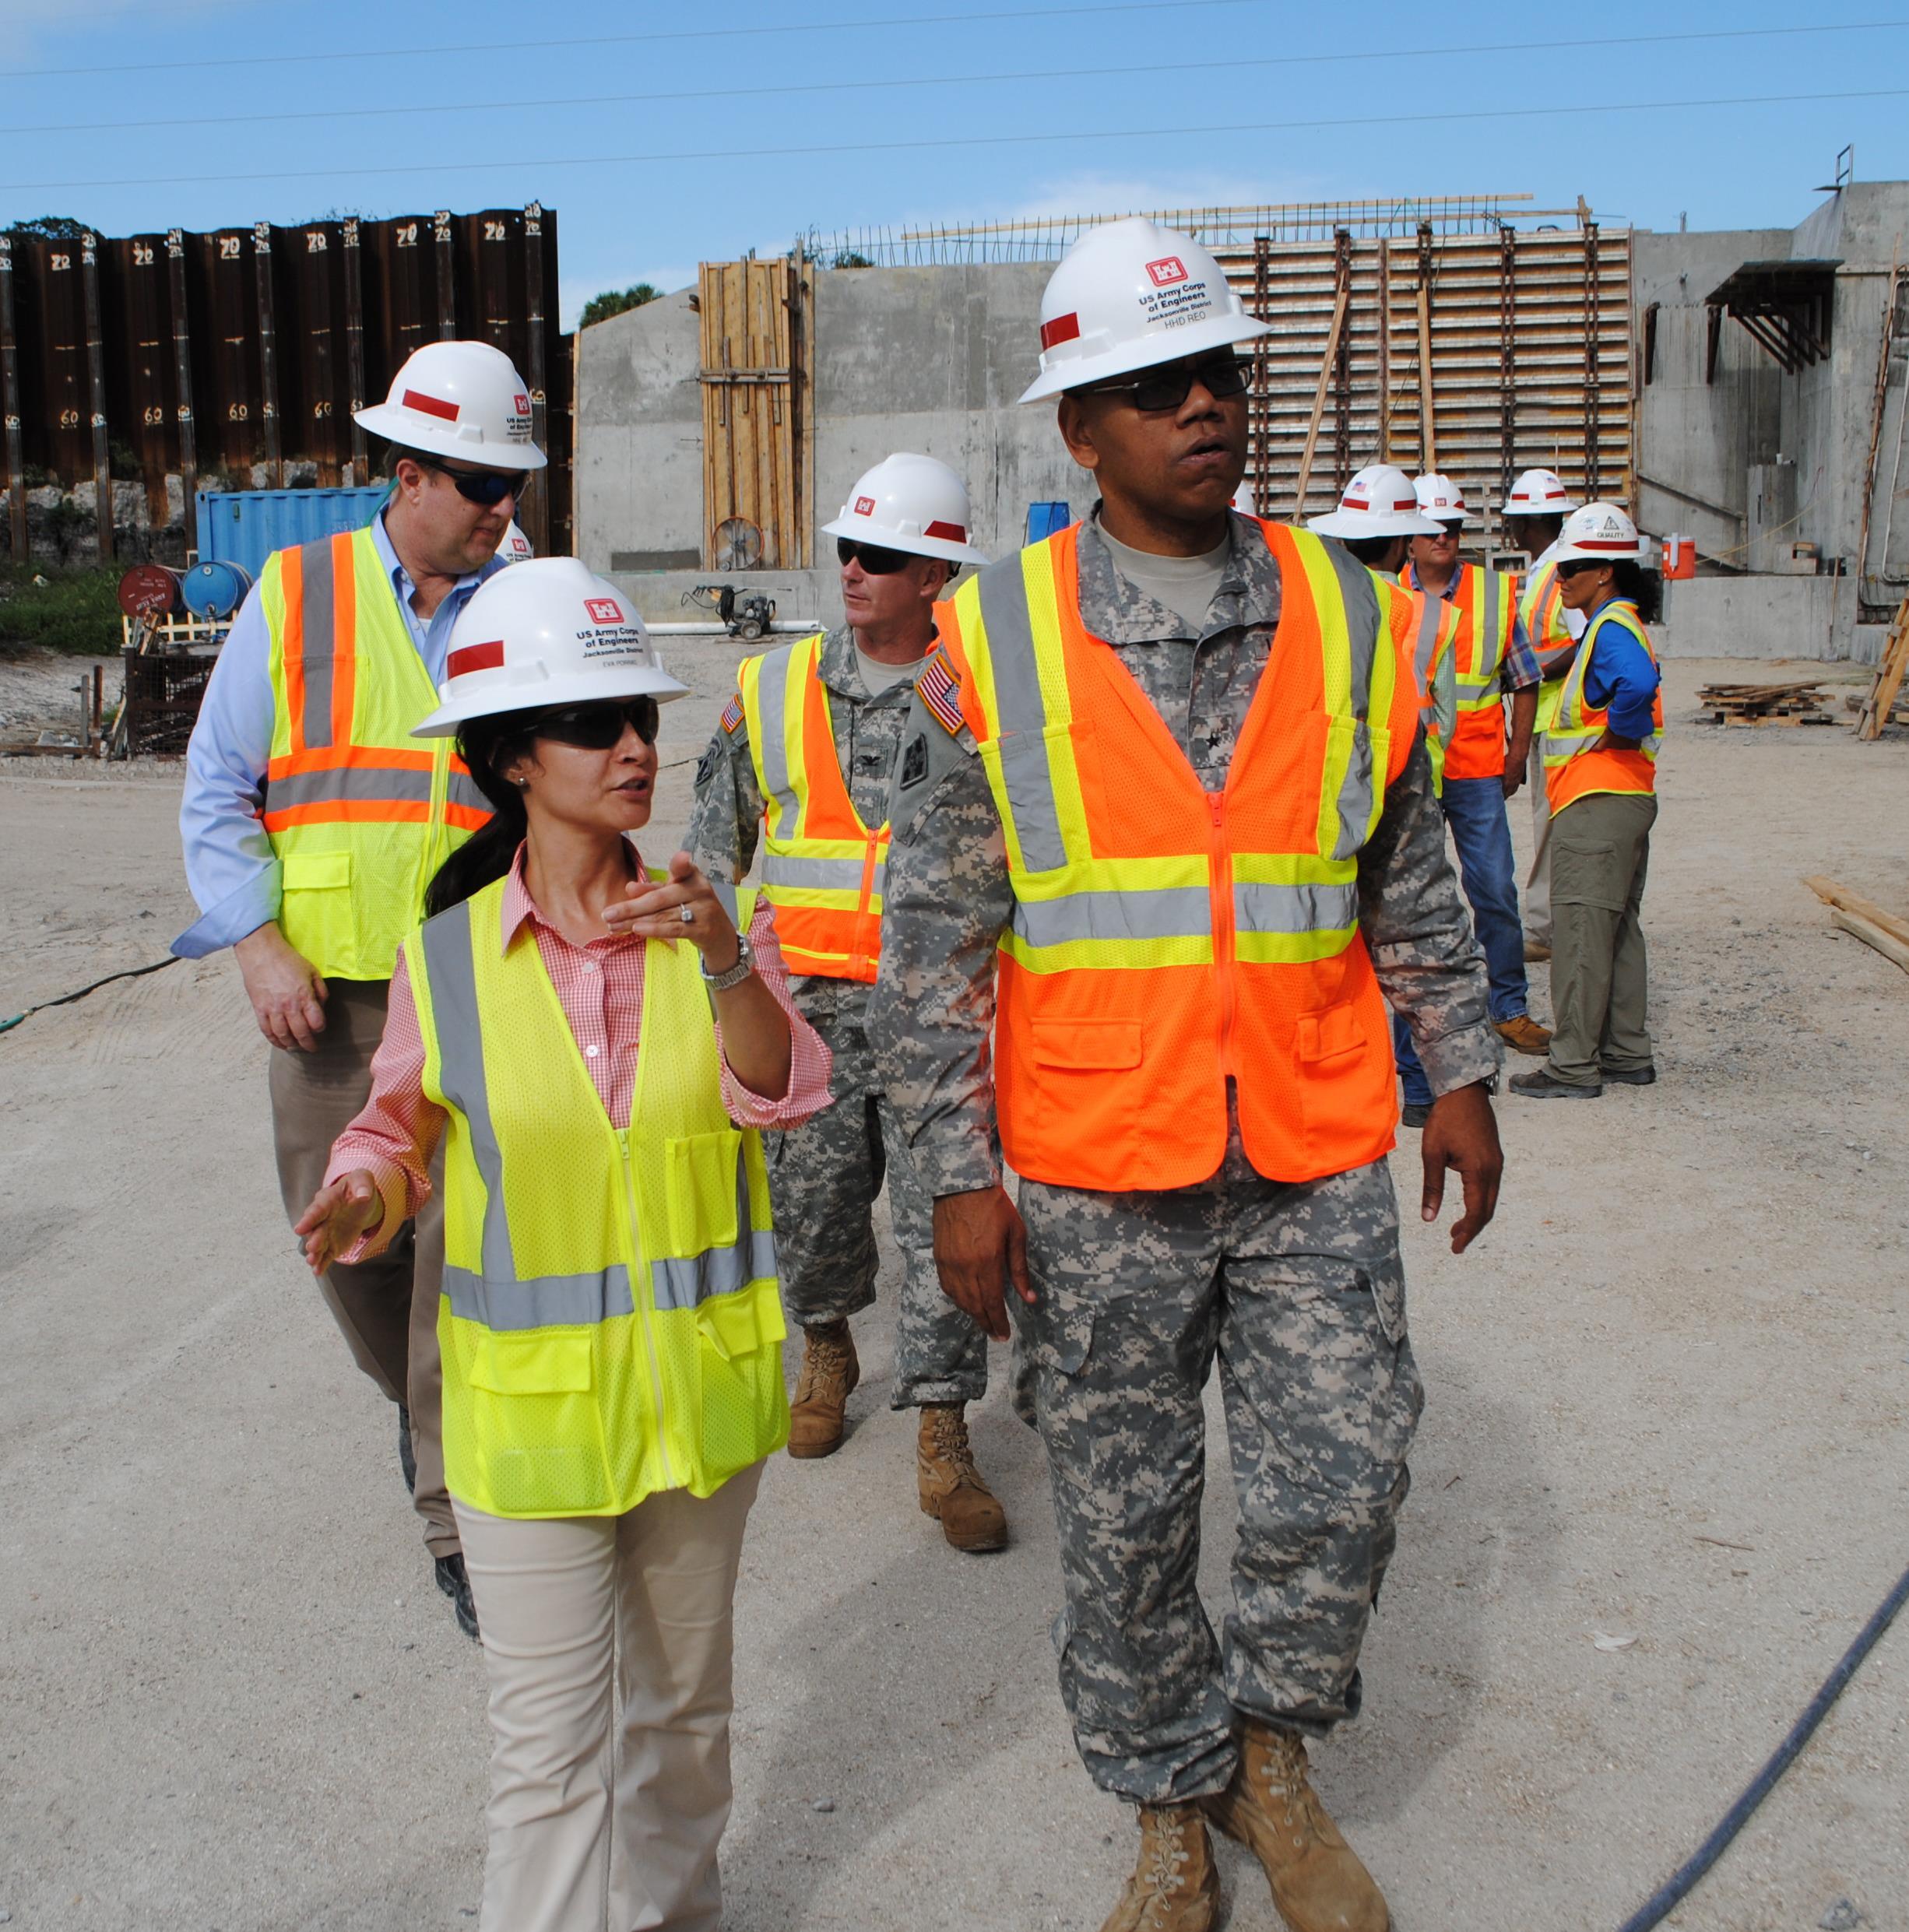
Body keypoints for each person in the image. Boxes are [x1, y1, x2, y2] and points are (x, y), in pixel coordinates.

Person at [868, 216, 1505, 1932]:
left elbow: (1403, 873)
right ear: (1078, 431)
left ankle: (1268, 1750)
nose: (1199, 408)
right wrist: (954, 1178)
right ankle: (1163, 1791)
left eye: (1217, 373)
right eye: (1150, 388)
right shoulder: (986, 642)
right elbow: (929, 955)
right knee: (1126, 1514)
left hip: (1305, 1143)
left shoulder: (1352, 614)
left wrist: (1454, 1067)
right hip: (1091, 1164)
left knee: (1344, 1474)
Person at [295, 559, 830, 1932]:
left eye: (641, 716)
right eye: (597, 723)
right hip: (524, 1433)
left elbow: (781, 1087)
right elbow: (398, 1126)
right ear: (514, 758)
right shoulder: (451, 953)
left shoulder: (705, 920)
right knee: (545, 1762)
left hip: (698, 1415)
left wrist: (722, 953)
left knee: (682, 1724)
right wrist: (366, 1185)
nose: (638, 746)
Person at [176, 340, 545, 1638]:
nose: (503, 506)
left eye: (514, 484)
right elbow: (219, 792)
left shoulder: (526, 605)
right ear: (406, 472)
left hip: (488, 993)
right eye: (479, 480)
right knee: (355, 1256)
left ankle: (456, 1518)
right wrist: (255, 942)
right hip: (333, 1004)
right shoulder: (296, 593)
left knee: (467, 1260)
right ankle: (421, 1416)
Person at [689, 452, 1009, 1552]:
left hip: (937, 1013)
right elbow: (710, 848)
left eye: (884, 555)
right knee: (816, 1211)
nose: (856, 570)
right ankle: (825, 1345)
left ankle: (944, 1427)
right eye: (849, 550)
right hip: (810, 1014)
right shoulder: (772, 688)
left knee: (943, 1224)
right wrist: (708, 982)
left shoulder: (983, 699)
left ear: (938, 574)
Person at [1392, 476, 1551, 1125]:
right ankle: (1412, 1035)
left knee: (1493, 890)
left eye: (1455, 528)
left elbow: (1523, 677)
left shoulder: (1492, 593)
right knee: (1413, 906)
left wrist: (1516, 754)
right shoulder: (1387, 594)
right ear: (1409, 537)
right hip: (1413, 771)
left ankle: (1507, 1006)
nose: (1446, 538)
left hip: (1479, 768)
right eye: (1435, 528)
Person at [1510, 504, 1664, 1101]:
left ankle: (1573, 1065)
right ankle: (1628, 1052)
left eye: (1572, 568)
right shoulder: (1616, 622)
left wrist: (1618, 729)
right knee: (1618, 929)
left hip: (1596, 799)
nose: (1561, 578)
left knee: (1579, 933)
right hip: (1624, 796)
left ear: (1606, 572)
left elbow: (1638, 686)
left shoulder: (1610, 628)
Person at [1500, 468, 1582, 963]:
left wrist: (1529, 673)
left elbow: (1581, 639)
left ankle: (1546, 928)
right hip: (1547, 716)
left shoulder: (1559, 573)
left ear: (1526, 524)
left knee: (1551, 824)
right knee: (1546, 823)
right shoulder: (1544, 571)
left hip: (1557, 719)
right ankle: (1549, 922)